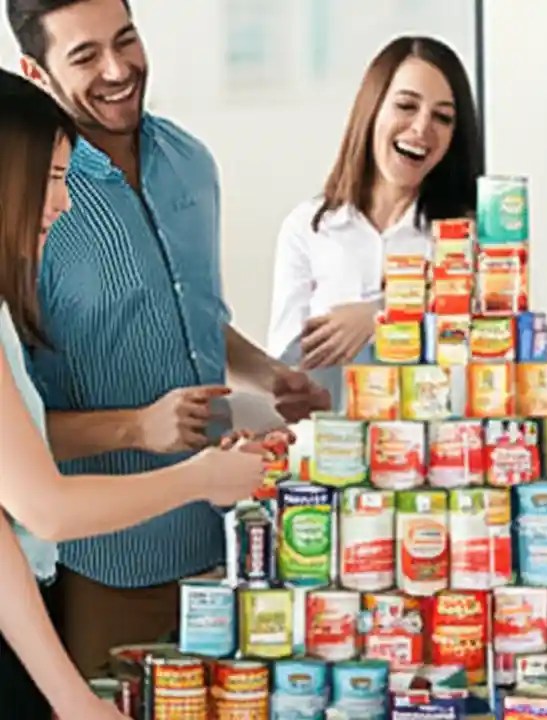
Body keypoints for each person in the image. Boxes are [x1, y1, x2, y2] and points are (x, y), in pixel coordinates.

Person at [7, 0, 330, 678]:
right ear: (35, 72)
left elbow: (187, 306)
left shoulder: (191, 161)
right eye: (85, 55)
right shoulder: (30, 203)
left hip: (229, 539)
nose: (118, 68)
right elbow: (15, 429)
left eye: (126, 40)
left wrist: (268, 374)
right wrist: (136, 428)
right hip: (109, 558)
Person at [267, 35, 480, 405]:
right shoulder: (308, 228)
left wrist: (380, 316)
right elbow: (282, 368)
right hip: (331, 445)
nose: (421, 128)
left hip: (436, 447)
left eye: (442, 117)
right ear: (373, 109)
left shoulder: (466, 237)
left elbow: (484, 344)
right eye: (406, 106)